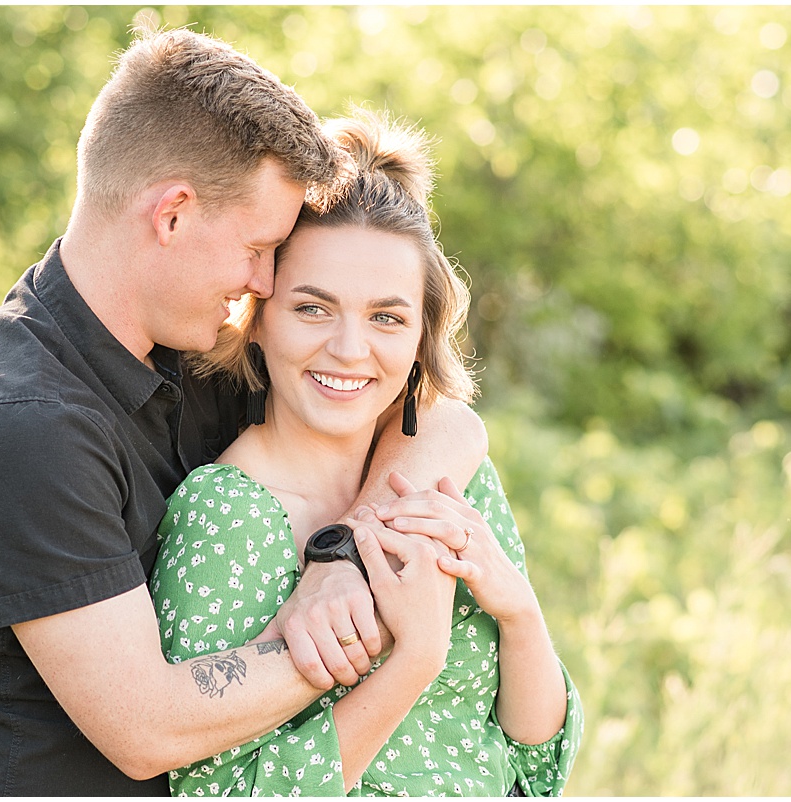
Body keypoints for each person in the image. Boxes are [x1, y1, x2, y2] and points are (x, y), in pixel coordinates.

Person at [0, 28, 487, 795]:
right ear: (172, 214)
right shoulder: (19, 423)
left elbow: (437, 417)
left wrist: (344, 556)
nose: (267, 280)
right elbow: (150, 728)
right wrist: (379, 626)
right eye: (258, 246)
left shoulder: (195, 346)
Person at [149, 111, 583, 796]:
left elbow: (533, 763)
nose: (351, 350)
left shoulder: (448, 482)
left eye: (387, 317)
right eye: (313, 309)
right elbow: (219, 791)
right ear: (258, 318)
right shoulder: (226, 516)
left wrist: (520, 614)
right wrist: (416, 658)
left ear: (420, 339)